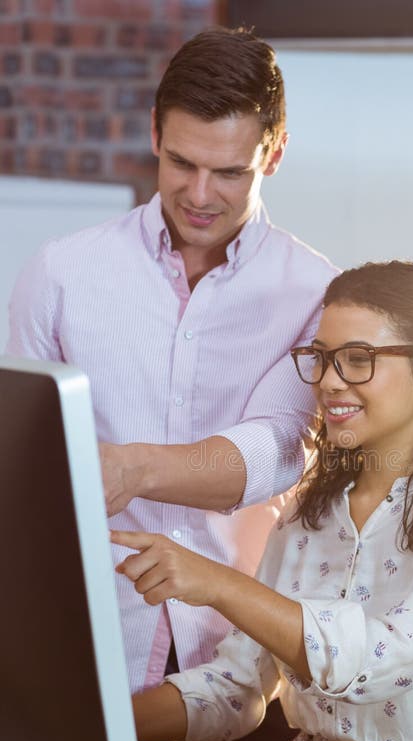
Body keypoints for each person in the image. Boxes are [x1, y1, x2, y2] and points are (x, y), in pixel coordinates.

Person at [112, 260, 413, 741]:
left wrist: (219, 584)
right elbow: (234, 689)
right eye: (320, 359)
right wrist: (86, 729)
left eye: (358, 359)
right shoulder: (305, 516)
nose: (330, 381)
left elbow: (381, 662)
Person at [6, 27, 338, 699]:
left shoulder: (316, 292)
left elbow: (279, 448)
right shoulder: (62, 273)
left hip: (232, 656)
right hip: (83, 633)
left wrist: (129, 467)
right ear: (155, 133)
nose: (200, 194)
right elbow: (19, 463)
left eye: (229, 172)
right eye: (182, 162)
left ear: (273, 155)